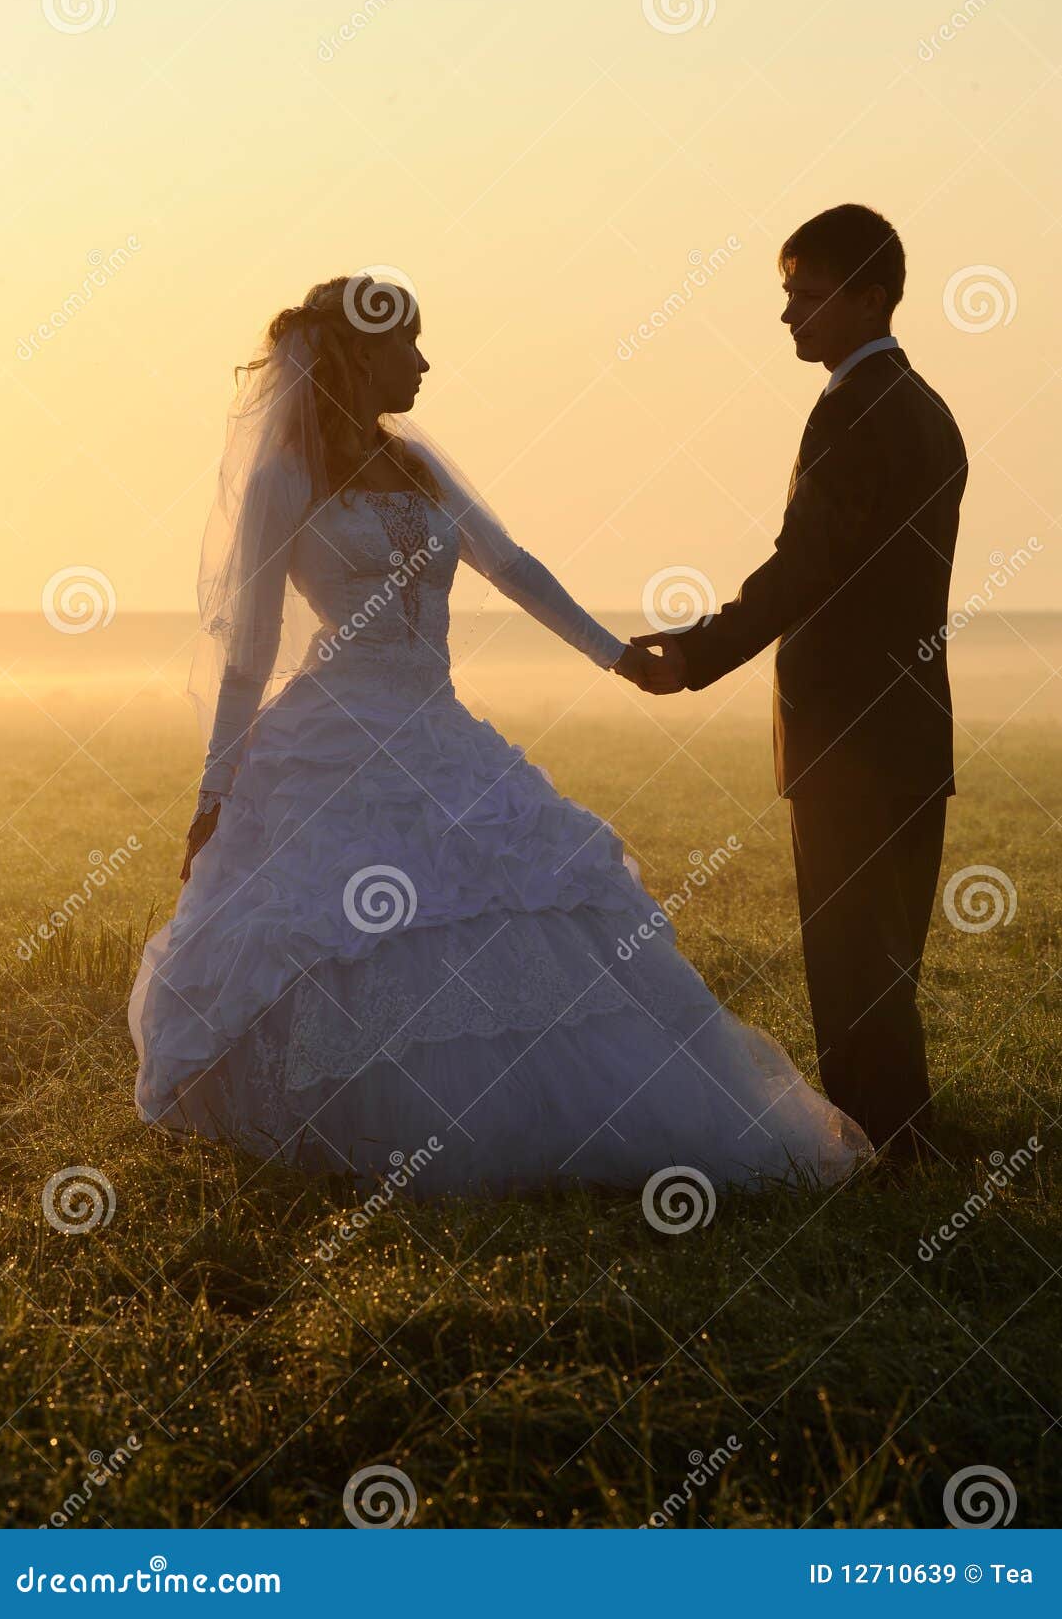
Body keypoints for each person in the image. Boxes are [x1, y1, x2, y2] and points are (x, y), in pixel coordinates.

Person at [129, 272, 870, 1198]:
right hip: (332, 733)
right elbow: (248, 652)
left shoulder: (417, 468)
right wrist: (214, 792)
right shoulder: (285, 478)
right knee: (350, 929)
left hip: (435, 725)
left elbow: (511, 567)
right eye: (410, 345)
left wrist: (618, 657)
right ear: (361, 354)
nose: (426, 362)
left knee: (516, 899)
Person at [631, 205, 968, 1162]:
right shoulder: (928, 407)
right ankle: (897, 1136)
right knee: (885, 953)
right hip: (910, 723)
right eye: (787, 297)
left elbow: (803, 565)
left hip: (847, 731)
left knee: (850, 953)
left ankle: (878, 1148)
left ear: (870, 298)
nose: (789, 317)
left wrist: (697, 654)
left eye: (808, 298)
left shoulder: (850, 411)